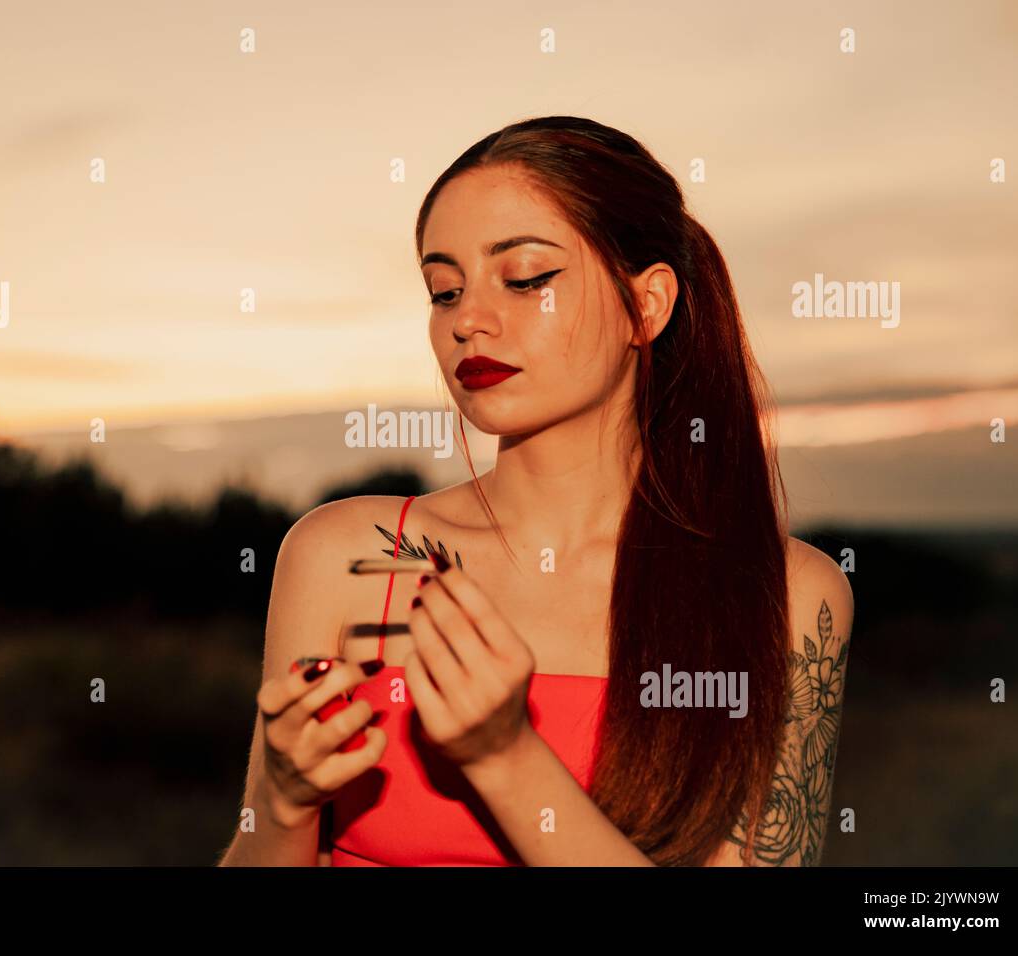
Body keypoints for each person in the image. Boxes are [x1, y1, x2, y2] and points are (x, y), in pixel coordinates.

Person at [218, 116, 854, 867]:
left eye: (525, 279)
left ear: (646, 305)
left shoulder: (788, 593)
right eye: (444, 290)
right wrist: (281, 804)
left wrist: (506, 758)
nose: (469, 322)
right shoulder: (349, 556)